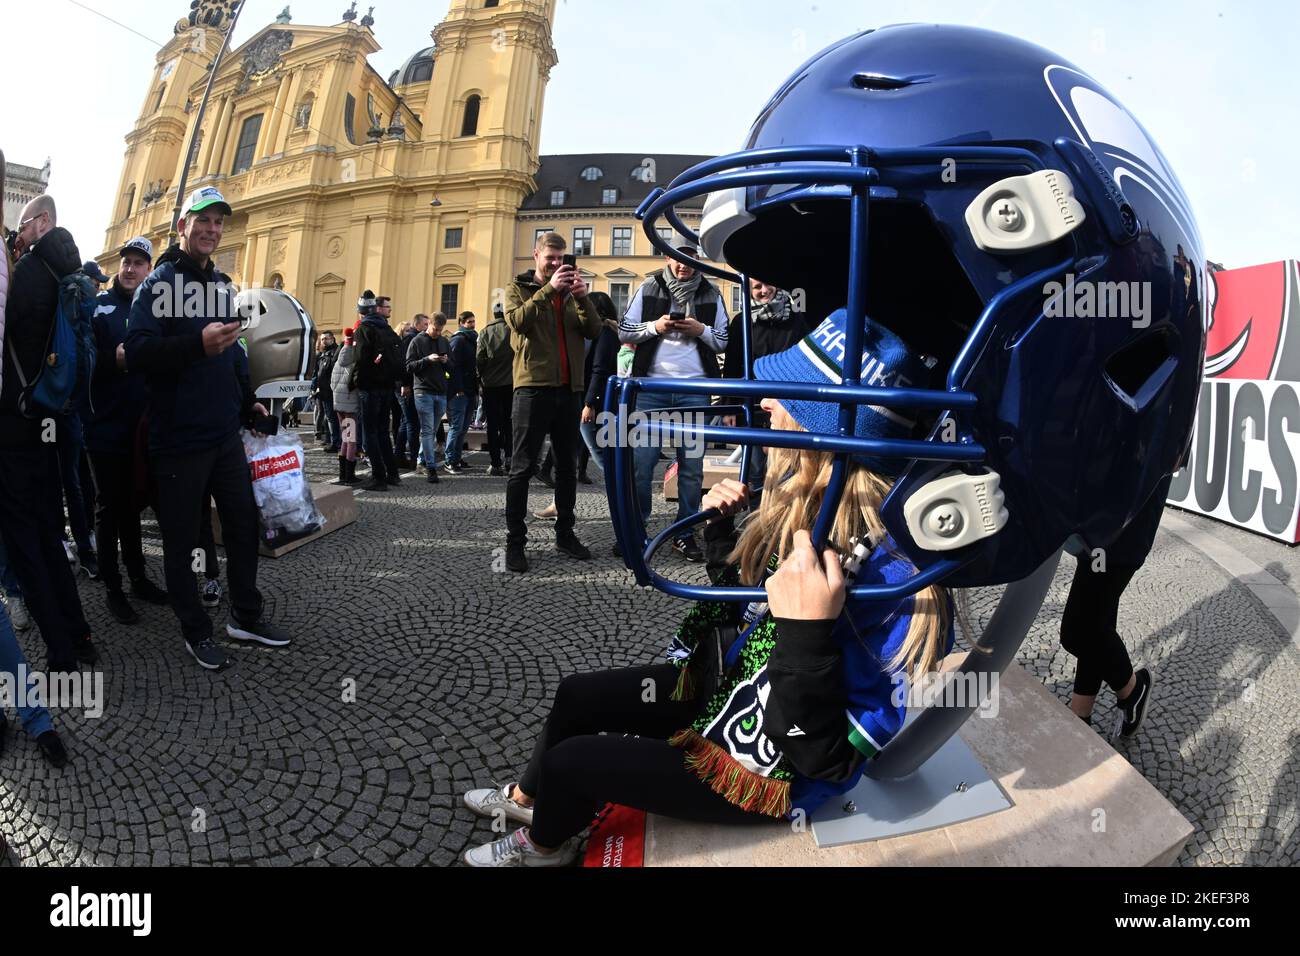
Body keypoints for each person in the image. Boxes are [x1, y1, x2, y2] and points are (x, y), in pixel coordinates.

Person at [460, 310, 952, 865]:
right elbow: (744, 614)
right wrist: (722, 534)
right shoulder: (819, 506)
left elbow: (822, 758)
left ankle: (541, 845)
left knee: (572, 761)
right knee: (579, 694)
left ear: (827, 428)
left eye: (782, 395)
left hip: (766, 769)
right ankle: (529, 802)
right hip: (737, 688)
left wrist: (806, 634)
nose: (763, 402)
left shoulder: (893, 575)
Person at [123, 186, 292, 670]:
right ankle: (195, 629)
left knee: (242, 525)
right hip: (177, 439)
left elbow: (234, 354)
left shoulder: (221, 285)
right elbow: (136, 353)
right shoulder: (158, 284)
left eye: (219, 222)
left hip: (223, 436)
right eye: (203, 220)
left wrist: (249, 405)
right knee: (181, 542)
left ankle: (245, 614)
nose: (211, 230)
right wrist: (196, 344)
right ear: (183, 226)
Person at [0, 193, 98, 671]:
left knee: (26, 539)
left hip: (18, 420)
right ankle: (80, 633)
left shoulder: (32, 275)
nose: (16, 237)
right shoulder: (74, 275)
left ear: (41, 222)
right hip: (52, 420)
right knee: (49, 528)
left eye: (21, 228)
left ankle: (60, 648)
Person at [618, 234, 729, 563]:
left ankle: (684, 533)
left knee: (692, 469)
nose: (682, 263)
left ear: (697, 259)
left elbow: (723, 340)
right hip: (651, 391)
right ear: (666, 258)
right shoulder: (649, 287)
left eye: (689, 257)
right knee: (641, 465)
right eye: (676, 256)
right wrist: (656, 326)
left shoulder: (711, 292)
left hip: (694, 392)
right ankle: (637, 531)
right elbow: (624, 330)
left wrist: (701, 331)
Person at [502, 232, 603, 572]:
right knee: (522, 468)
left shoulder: (572, 294)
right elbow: (517, 322)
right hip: (532, 388)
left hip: (570, 389)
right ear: (537, 256)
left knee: (566, 468)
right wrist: (549, 290)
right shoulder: (518, 289)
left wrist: (583, 297)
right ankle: (515, 542)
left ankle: (565, 533)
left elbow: (594, 331)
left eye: (562, 259)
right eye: (551, 258)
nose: (558, 264)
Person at [85, 236, 170, 624]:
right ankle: (113, 587)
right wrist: (112, 361)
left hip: (143, 430)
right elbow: (81, 364)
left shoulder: (154, 310)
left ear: (149, 269)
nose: (131, 268)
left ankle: (138, 578)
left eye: (139, 262)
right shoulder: (99, 308)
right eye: (126, 262)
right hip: (105, 428)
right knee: (108, 508)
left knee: (133, 505)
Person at [1059, 474, 1169, 739]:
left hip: (1124, 515)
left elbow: (1169, 450)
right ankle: (1080, 712)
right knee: (1098, 620)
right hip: (1100, 512)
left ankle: (1133, 688)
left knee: (1077, 631)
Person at [722, 279, 815, 490]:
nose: (764, 291)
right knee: (754, 472)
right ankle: (756, 518)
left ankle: (781, 518)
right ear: (748, 291)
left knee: (788, 470)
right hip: (750, 404)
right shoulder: (741, 322)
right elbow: (733, 365)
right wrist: (728, 406)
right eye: (757, 287)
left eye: (768, 284)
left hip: (787, 405)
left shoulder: (798, 318)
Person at [351, 290, 404, 491]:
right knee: (383, 432)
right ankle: (392, 474)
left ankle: (378, 477)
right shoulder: (388, 330)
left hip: (370, 388)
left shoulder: (364, 329)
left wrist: (355, 382)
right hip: (387, 388)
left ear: (361, 312)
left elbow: (360, 360)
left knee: (370, 433)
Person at [407, 311, 450, 484]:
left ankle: (420, 461)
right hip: (423, 391)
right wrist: (427, 360)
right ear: (429, 324)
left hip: (440, 392)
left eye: (440, 330)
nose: (438, 333)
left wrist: (446, 361)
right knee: (426, 430)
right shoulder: (416, 341)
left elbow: (451, 368)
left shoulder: (444, 341)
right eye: (435, 329)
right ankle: (431, 468)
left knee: (431, 430)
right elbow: (409, 366)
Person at [476, 302, 514, 476]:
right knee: (509, 423)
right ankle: (510, 459)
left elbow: (479, 358)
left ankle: (495, 462)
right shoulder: (512, 330)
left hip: (490, 385)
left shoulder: (484, 332)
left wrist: (480, 378)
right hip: (511, 384)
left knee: (493, 425)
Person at [445, 311, 478, 474]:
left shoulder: (471, 340)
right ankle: (450, 460)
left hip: (470, 390)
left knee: (463, 428)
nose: (473, 324)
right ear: (461, 323)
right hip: (459, 392)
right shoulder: (458, 340)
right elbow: (453, 367)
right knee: (456, 427)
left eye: (473, 321)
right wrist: (457, 388)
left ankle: (457, 458)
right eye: (469, 322)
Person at [331, 328, 362, 485]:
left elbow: (332, 382)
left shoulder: (340, 356)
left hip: (338, 403)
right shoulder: (355, 358)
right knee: (351, 440)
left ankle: (343, 474)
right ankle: (349, 476)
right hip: (350, 403)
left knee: (345, 438)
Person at [396, 314, 427, 468]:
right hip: (406, 386)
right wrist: (405, 384)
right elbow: (404, 364)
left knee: (406, 421)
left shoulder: (415, 338)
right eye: (425, 324)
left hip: (405, 385)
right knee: (412, 423)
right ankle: (413, 458)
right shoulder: (412, 339)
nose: (427, 327)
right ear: (418, 324)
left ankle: (399, 455)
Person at [311, 331, 341, 453]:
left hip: (332, 390)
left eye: (326, 339)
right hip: (322, 391)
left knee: (332, 418)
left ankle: (336, 442)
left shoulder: (336, 352)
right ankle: (331, 440)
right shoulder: (321, 355)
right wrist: (314, 387)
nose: (324, 341)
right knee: (328, 417)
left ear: (332, 339)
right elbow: (317, 373)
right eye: (322, 339)